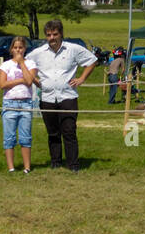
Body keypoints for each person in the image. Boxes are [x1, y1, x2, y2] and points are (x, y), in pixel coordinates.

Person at [27, 22, 97, 171]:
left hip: (68, 97)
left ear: (61, 34)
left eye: (55, 34)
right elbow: (24, 65)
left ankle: (73, 165)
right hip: (47, 98)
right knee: (52, 133)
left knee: (69, 131)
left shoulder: (73, 49)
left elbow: (92, 61)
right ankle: (55, 162)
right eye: (48, 35)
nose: (52, 38)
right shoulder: (38, 53)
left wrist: (82, 78)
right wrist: (34, 80)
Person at [0, 36, 35, 173]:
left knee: (25, 137)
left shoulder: (30, 64)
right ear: (11, 49)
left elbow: (30, 80)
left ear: (25, 49)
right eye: (15, 47)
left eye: (21, 47)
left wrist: (22, 64)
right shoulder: (5, 65)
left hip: (26, 103)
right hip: (10, 103)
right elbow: (2, 84)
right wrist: (20, 80)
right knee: (9, 137)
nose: (18, 50)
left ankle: (27, 167)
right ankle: (11, 168)